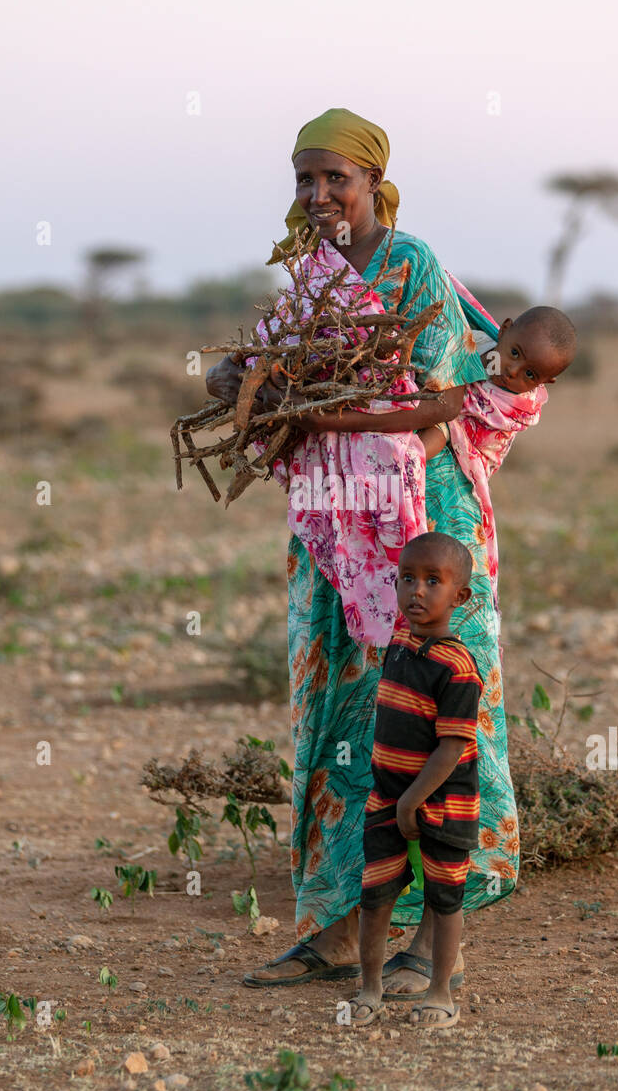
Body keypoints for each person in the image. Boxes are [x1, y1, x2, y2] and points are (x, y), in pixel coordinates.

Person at [206, 108, 519, 996]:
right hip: (330, 521)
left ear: (372, 181)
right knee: (339, 714)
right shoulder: (307, 273)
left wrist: (316, 416)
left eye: (333, 177)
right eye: (304, 179)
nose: (317, 195)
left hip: (420, 521)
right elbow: (274, 368)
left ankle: (429, 932)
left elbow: (427, 400)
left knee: (438, 709)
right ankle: (337, 926)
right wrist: (236, 384)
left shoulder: (411, 263)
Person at [350, 532, 482, 1030]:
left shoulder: (458, 667)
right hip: (388, 798)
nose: (417, 592)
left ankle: (442, 991)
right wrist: (396, 801)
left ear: (460, 596)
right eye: (407, 578)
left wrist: (412, 802)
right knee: (376, 894)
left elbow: (452, 748)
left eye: (433, 581)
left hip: (442, 804)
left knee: (444, 899)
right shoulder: (399, 643)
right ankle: (369, 986)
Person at [418, 304, 577, 610]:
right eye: (514, 353)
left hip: (469, 449)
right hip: (445, 417)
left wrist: (450, 407)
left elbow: (476, 418)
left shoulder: (518, 403)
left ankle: (406, 460)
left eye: (530, 374)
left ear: (544, 382)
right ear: (503, 331)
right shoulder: (472, 342)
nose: (512, 371)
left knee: (441, 430)